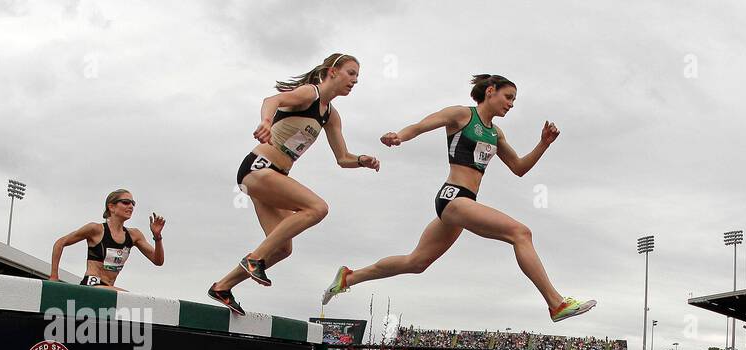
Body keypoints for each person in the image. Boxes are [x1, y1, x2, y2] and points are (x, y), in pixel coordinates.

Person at [322, 73, 595, 324]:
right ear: (490, 91)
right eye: (508, 97)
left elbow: (519, 168)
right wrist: (399, 136)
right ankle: (556, 303)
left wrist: (543, 144)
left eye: (514, 100)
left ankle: (349, 277)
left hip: (464, 204)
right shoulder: (462, 115)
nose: (511, 104)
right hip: (453, 197)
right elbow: (422, 126)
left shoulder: (495, 133)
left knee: (416, 263)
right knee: (520, 233)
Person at [208, 52, 379, 316]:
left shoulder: (331, 116)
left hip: (274, 177)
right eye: (351, 73)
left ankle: (222, 287)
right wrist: (265, 121)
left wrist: (362, 160)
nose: (355, 80)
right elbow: (272, 100)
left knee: (282, 249)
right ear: (332, 72)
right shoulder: (310, 94)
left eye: (358, 76)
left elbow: (343, 158)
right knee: (317, 208)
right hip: (259, 168)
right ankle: (254, 259)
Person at [50, 190, 164, 289]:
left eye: (133, 203)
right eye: (126, 202)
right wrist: (54, 276)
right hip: (91, 285)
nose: (131, 206)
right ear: (111, 207)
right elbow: (60, 243)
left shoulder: (134, 235)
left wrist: (157, 237)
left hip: (110, 288)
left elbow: (158, 261)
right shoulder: (96, 229)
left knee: (127, 300)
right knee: (130, 300)